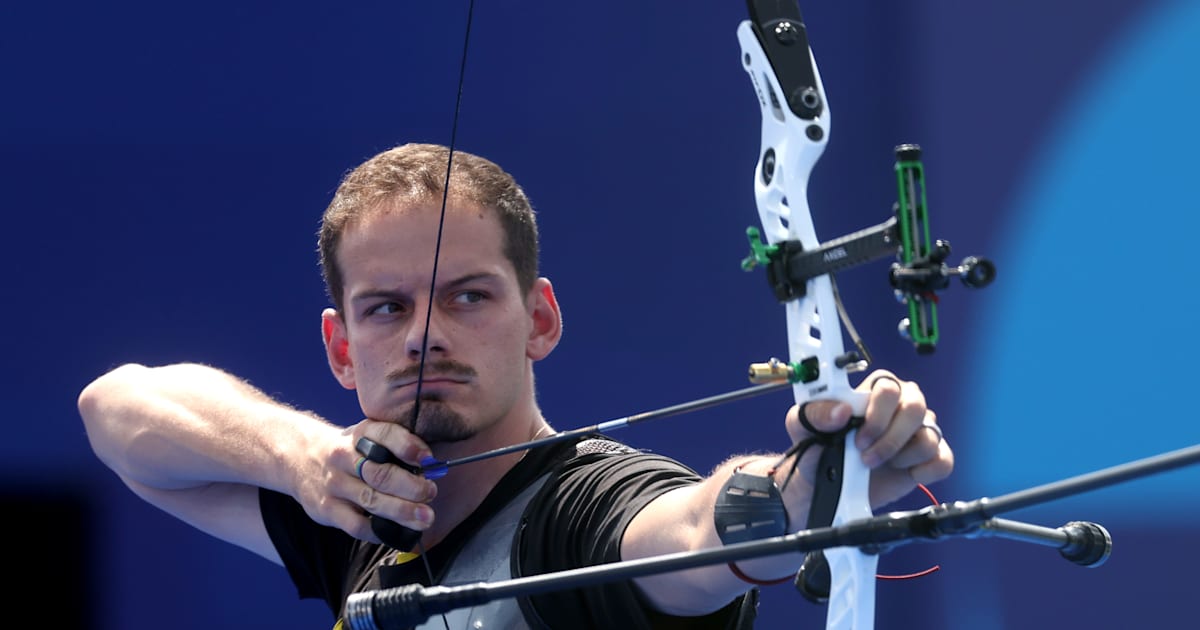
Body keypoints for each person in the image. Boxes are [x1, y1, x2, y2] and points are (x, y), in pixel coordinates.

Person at [78, 143, 953, 629]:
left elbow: (698, 529)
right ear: (342, 351)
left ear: (538, 319)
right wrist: (305, 456)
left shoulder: (584, 511)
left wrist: (813, 488)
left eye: (467, 296)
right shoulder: (361, 512)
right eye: (386, 308)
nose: (424, 332)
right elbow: (117, 412)